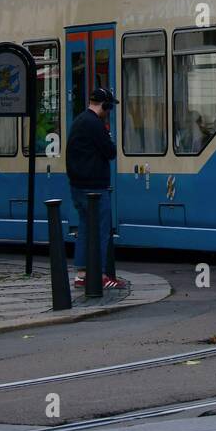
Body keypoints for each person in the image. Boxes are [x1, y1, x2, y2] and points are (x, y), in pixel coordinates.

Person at [66, 87, 126, 289]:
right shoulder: (95, 124)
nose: (109, 112)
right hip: (95, 188)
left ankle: (82, 274)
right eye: (109, 108)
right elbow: (110, 152)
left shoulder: (79, 121)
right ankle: (100, 275)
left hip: (77, 187)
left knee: (84, 229)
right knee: (101, 231)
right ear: (105, 105)